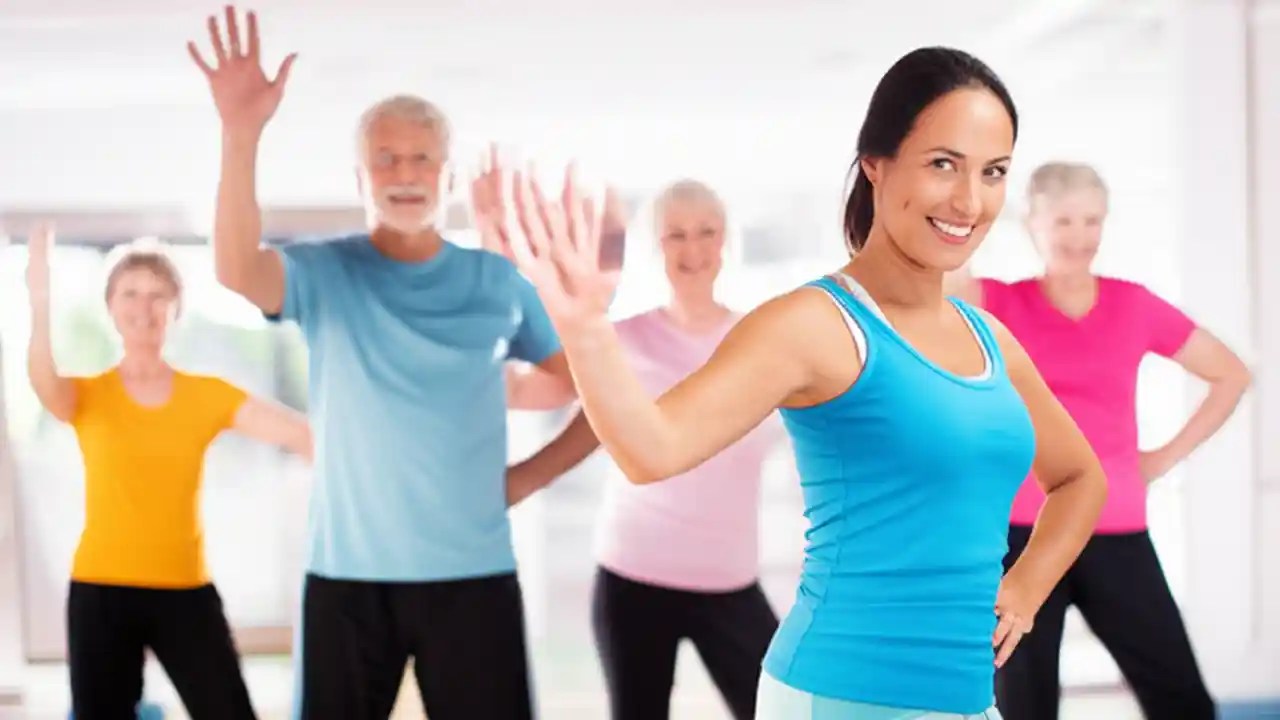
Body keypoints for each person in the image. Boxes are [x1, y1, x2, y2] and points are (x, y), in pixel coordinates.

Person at [493, 46, 1109, 719]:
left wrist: (1025, 588)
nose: (969, 200)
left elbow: (1080, 479)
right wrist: (583, 325)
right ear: (876, 163)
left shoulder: (990, 340)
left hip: (966, 701)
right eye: (942, 164)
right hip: (842, 697)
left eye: (993, 172)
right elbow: (653, 449)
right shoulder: (816, 324)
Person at [188, 7, 577, 719]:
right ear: (362, 175)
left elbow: (582, 389)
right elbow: (238, 269)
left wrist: (522, 476)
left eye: (422, 157)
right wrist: (240, 134)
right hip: (346, 580)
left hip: (473, 575)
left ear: (447, 173)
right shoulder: (326, 273)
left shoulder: (497, 282)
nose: (405, 173)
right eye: (387, 159)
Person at [947, 162, 1251, 720]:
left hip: (1113, 526)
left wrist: (1160, 459)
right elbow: (931, 283)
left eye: (1092, 221)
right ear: (1030, 223)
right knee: (1023, 706)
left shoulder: (1133, 306)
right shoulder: (996, 303)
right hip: (1022, 534)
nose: (1079, 237)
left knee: (1181, 699)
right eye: (1062, 221)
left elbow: (1231, 375)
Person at [508, 179, 785, 720]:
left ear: (725, 240)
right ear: (654, 248)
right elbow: (560, 414)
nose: (693, 249)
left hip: (729, 582)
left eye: (706, 232)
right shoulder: (620, 341)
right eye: (675, 235)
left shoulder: (762, 343)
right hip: (633, 576)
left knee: (777, 710)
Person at [25, 226, 311, 720]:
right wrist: (40, 301)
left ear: (177, 309)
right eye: (130, 293)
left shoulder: (206, 395)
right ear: (110, 306)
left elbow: (301, 435)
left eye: (159, 295)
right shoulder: (88, 395)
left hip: (185, 591)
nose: (144, 307)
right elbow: (44, 384)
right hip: (101, 589)